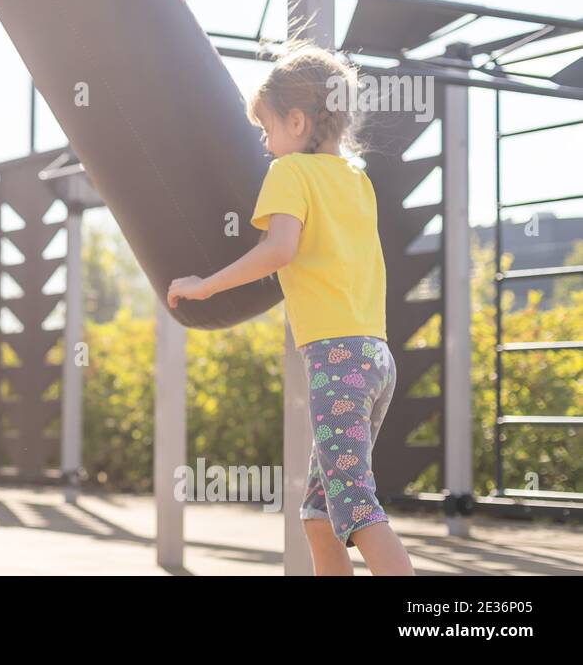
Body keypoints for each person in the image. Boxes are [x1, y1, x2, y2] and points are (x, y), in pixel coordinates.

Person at [167, 41, 414, 576]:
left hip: (338, 363)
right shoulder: (356, 180)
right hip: (374, 358)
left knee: (356, 507)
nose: (265, 141)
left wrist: (207, 285)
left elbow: (279, 250)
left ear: (297, 121)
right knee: (320, 517)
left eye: (267, 127)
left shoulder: (289, 175)